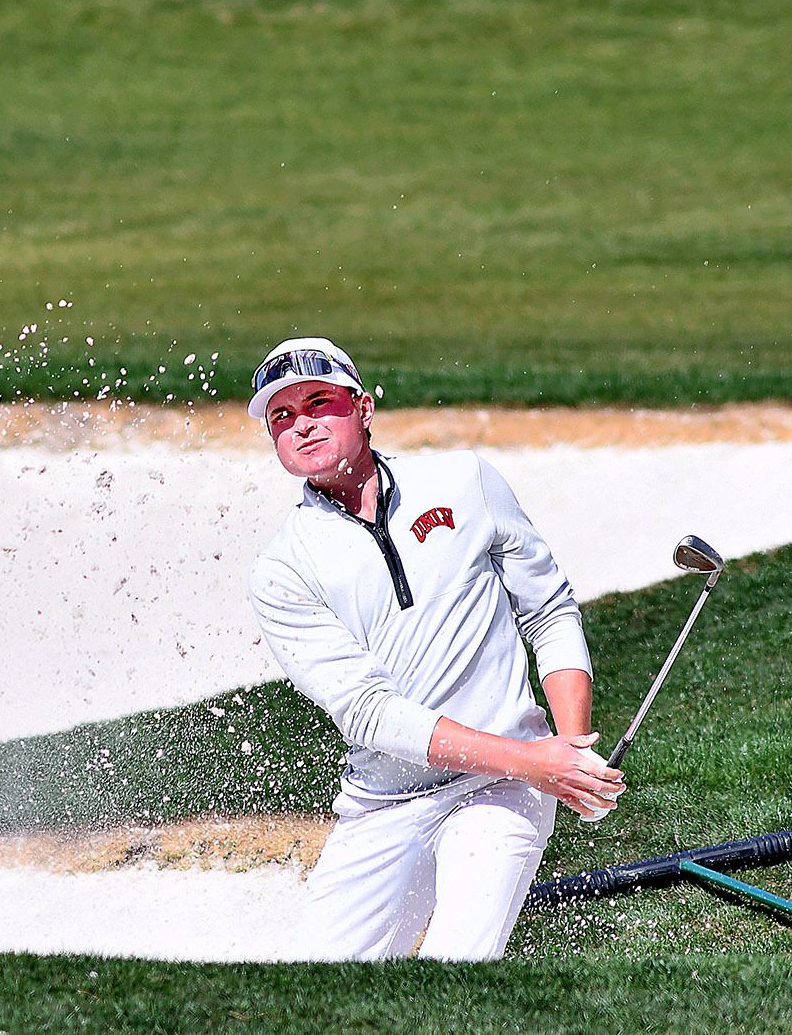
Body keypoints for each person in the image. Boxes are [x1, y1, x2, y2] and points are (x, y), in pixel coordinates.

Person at [246, 336, 626, 962]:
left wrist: (571, 751)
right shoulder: (282, 570)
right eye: (281, 417)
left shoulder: (465, 480)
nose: (302, 425)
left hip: (498, 790)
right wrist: (534, 759)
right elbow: (370, 712)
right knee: (315, 993)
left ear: (362, 407)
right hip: (381, 803)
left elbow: (549, 608)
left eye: (319, 402)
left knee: (455, 968)